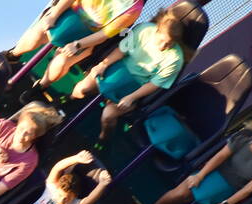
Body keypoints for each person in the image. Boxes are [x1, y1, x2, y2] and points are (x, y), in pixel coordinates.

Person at [71, 9, 186, 142]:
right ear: (157, 30)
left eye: (169, 44)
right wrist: (102, 65)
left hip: (135, 87)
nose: (163, 46)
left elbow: (154, 84)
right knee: (81, 89)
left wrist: (131, 97)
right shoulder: (143, 29)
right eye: (162, 40)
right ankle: (70, 102)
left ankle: (103, 138)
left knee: (108, 116)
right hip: (117, 70)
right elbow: (121, 50)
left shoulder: (176, 59)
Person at [12, 0, 145, 89]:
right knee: (40, 32)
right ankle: (13, 55)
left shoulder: (133, 9)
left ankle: (41, 86)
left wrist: (77, 45)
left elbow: (104, 35)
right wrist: (54, 15)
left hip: (89, 34)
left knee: (63, 61)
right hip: (70, 12)